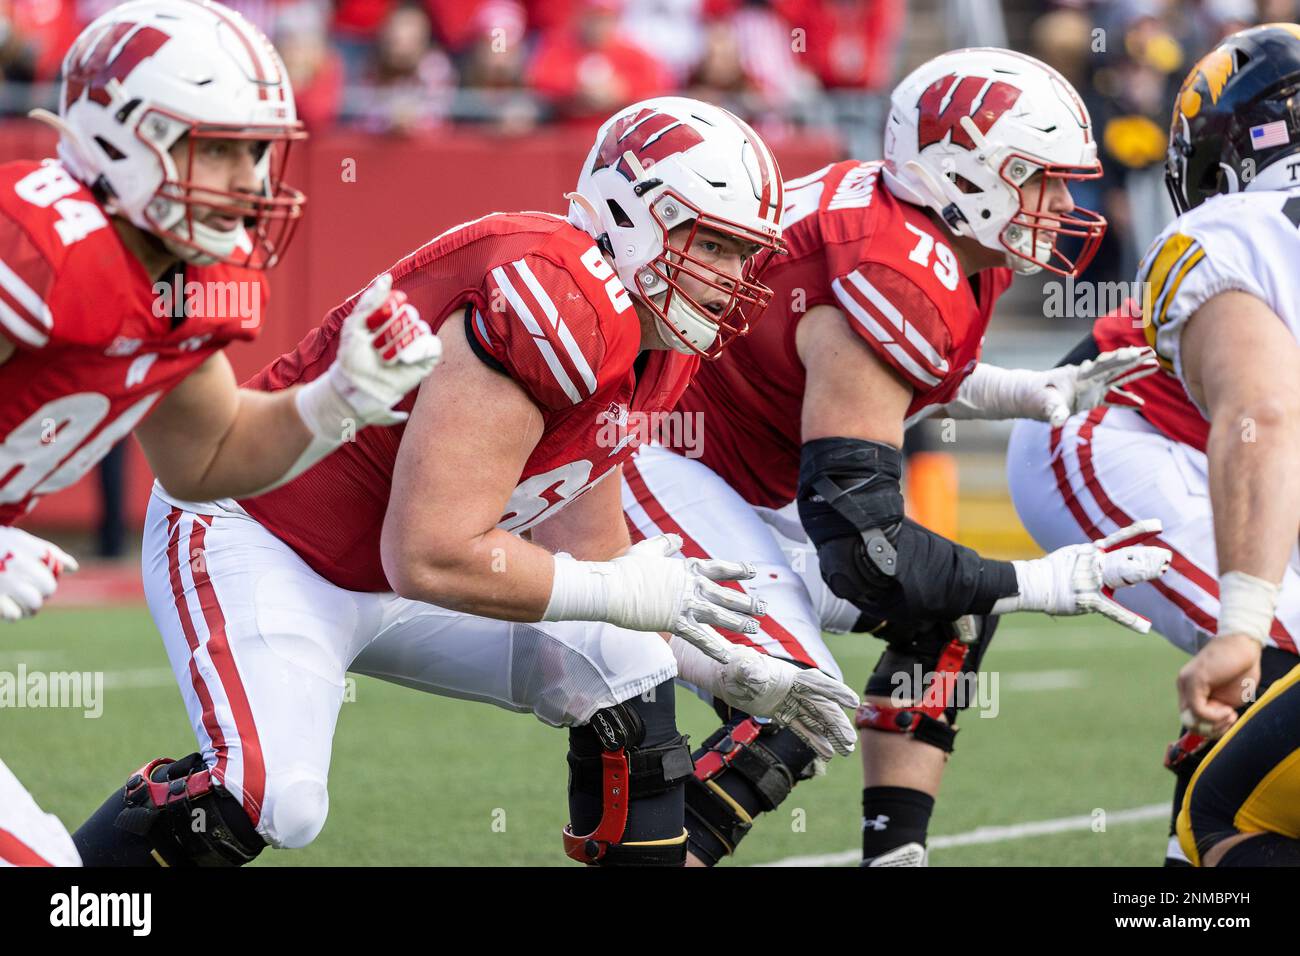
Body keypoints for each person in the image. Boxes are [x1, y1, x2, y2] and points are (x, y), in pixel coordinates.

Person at [72, 96, 861, 868]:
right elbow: (431, 554)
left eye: (741, 252)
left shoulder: (657, 340)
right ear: (631, 213)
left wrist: (715, 665)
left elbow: (588, 550)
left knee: (633, 671)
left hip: (398, 570)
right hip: (267, 541)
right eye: (711, 244)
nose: (729, 276)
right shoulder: (554, 294)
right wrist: (626, 597)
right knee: (269, 799)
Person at [619, 48, 1173, 866]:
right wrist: (1033, 581)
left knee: (950, 611)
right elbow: (867, 556)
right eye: (1039, 179)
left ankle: (895, 856)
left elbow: (892, 371)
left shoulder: (928, 236)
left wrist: (1019, 391)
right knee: (801, 701)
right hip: (662, 459)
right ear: (960, 172)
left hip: (742, 479)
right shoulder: (891, 267)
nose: (1063, 203)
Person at [0, 0, 442, 867]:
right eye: (223, 147)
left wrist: (334, 402)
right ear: (127, 136)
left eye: (256, 150)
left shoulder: (189, 275)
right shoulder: (37, 244)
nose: (248, 179)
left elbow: (206, 456)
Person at [1008, 23, 1300, 867]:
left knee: (1265, 694)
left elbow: (1268, 418)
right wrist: (1247, 624)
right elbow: (1263, 419)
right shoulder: (1244, 234)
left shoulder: (1233, 229)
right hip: (1117, 428)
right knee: (1277, 649)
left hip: (1215, 440)